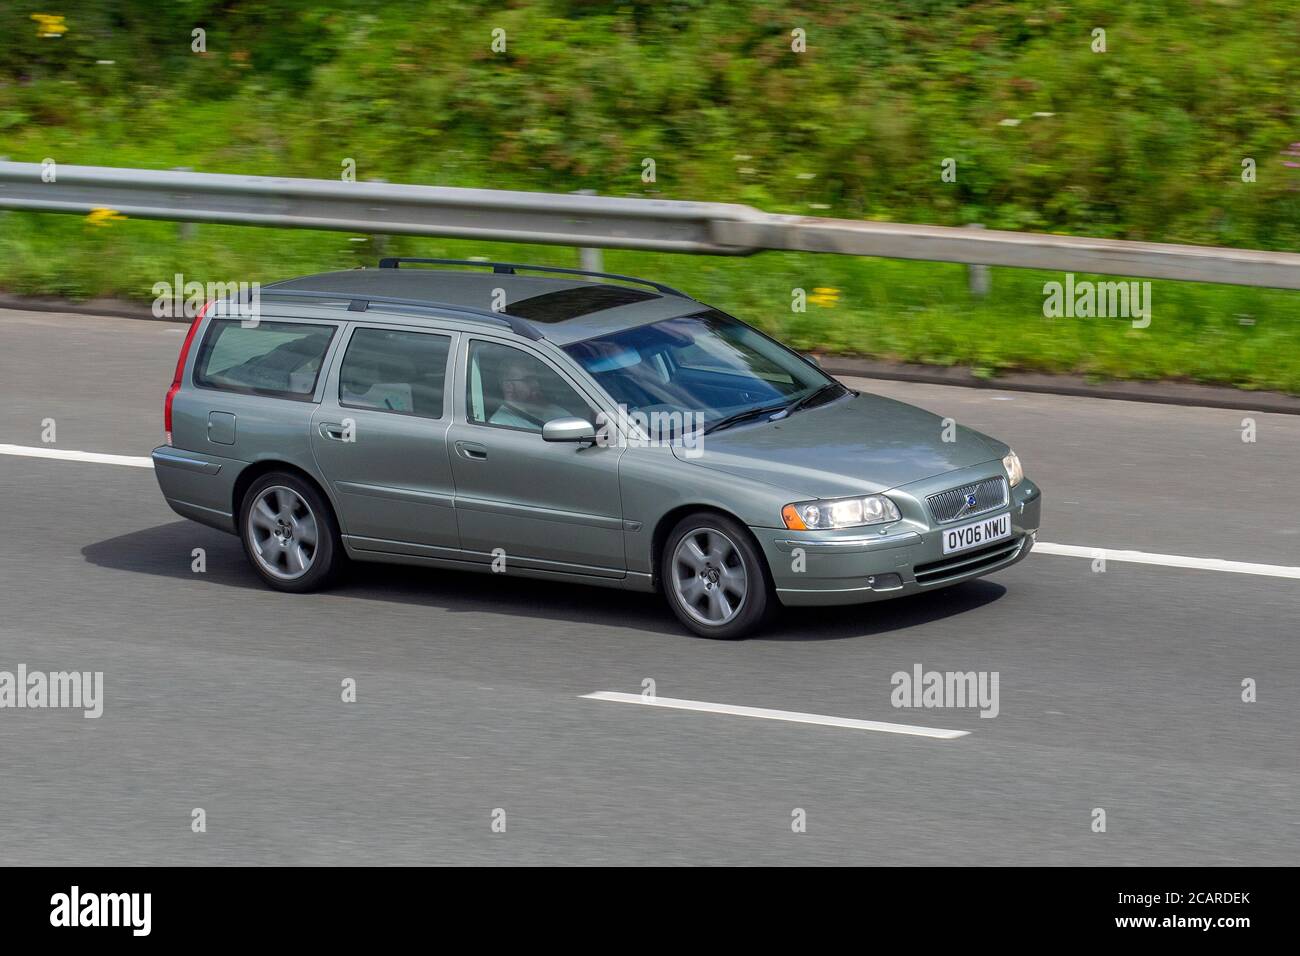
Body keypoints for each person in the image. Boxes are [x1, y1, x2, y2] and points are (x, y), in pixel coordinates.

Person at [490, 357, 574, 429]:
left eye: (536, 379)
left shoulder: (552, 410)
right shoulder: (501, 425)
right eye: (528, 380)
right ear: (508, 386)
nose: (536, 384)